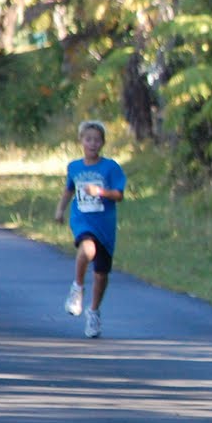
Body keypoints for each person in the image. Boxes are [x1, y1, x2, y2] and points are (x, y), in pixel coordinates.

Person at [53, 120, 126, 338]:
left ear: (102, 143)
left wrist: (100, 192)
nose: (92, 144)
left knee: (101, 274)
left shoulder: (111, 167)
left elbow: (119, 195)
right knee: (87, 250)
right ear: (81, 141)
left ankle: (93, 311)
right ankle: (77, 288)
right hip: (82, 219)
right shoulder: (74, 167)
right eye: (88, 139)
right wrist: (60, 211)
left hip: (104, 224)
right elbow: (68, 190)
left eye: (97, 140)